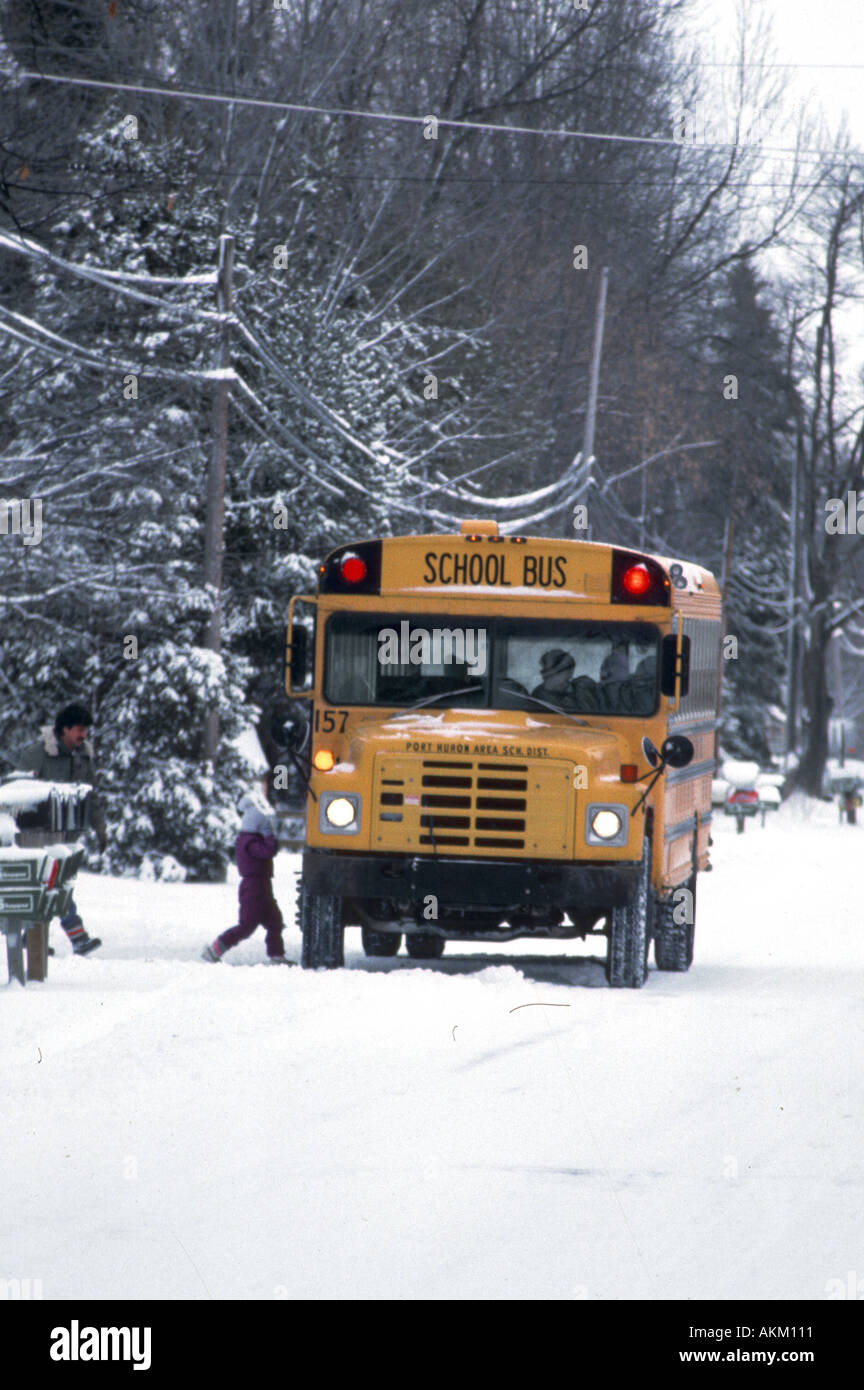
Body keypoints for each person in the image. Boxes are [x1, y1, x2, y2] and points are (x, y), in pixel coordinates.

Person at [15, 702, 105, 955]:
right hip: (37, 834)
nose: (83, 735)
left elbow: (91, 794)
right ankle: (66, 938)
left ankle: (34, 938)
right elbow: (19, 790)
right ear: (64, 729)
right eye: (79, 730)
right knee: (52, 883)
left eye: (85, 730)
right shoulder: (37, 753)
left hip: (66, 833)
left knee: (56, 883)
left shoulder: (83, 756)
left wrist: (100, 825)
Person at [201, 777, 289, 964]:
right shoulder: (251, 842)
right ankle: (214, 950)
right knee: (247, 926)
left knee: (274, 921)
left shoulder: (248, 838)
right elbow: (269, 850)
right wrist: (269, 834)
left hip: (262, 886)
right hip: (253, 888)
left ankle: (277, 955)